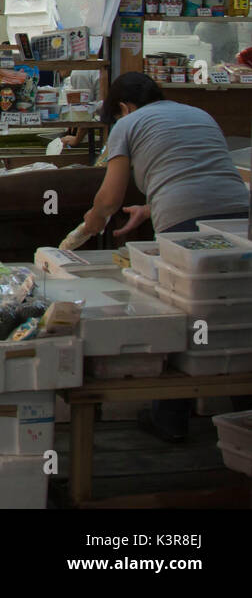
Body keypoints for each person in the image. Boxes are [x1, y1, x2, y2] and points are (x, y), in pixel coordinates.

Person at [60, 72, 250, 441]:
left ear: (122, 107)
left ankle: (170, 417)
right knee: (235, 304)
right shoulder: (197, 113)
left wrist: (92, 221)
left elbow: (110, 197)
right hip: (239, 215)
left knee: (181, 309)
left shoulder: (128, 123)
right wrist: (148, 210)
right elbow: (198, 171)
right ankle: (242, 412)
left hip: (183, 219)